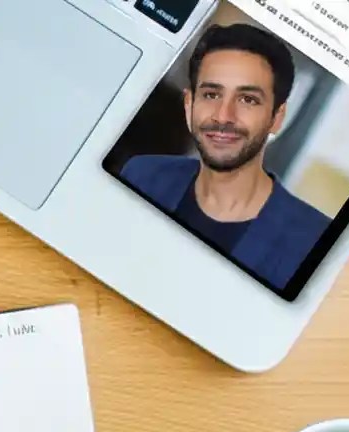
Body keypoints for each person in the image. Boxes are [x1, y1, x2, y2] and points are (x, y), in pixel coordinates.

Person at [120, 23, 331, 289]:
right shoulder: (142, 175)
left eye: (248, 100)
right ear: (190, 105)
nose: (223, 116)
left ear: (276, 118)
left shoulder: (314, 240)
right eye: (211, 94)